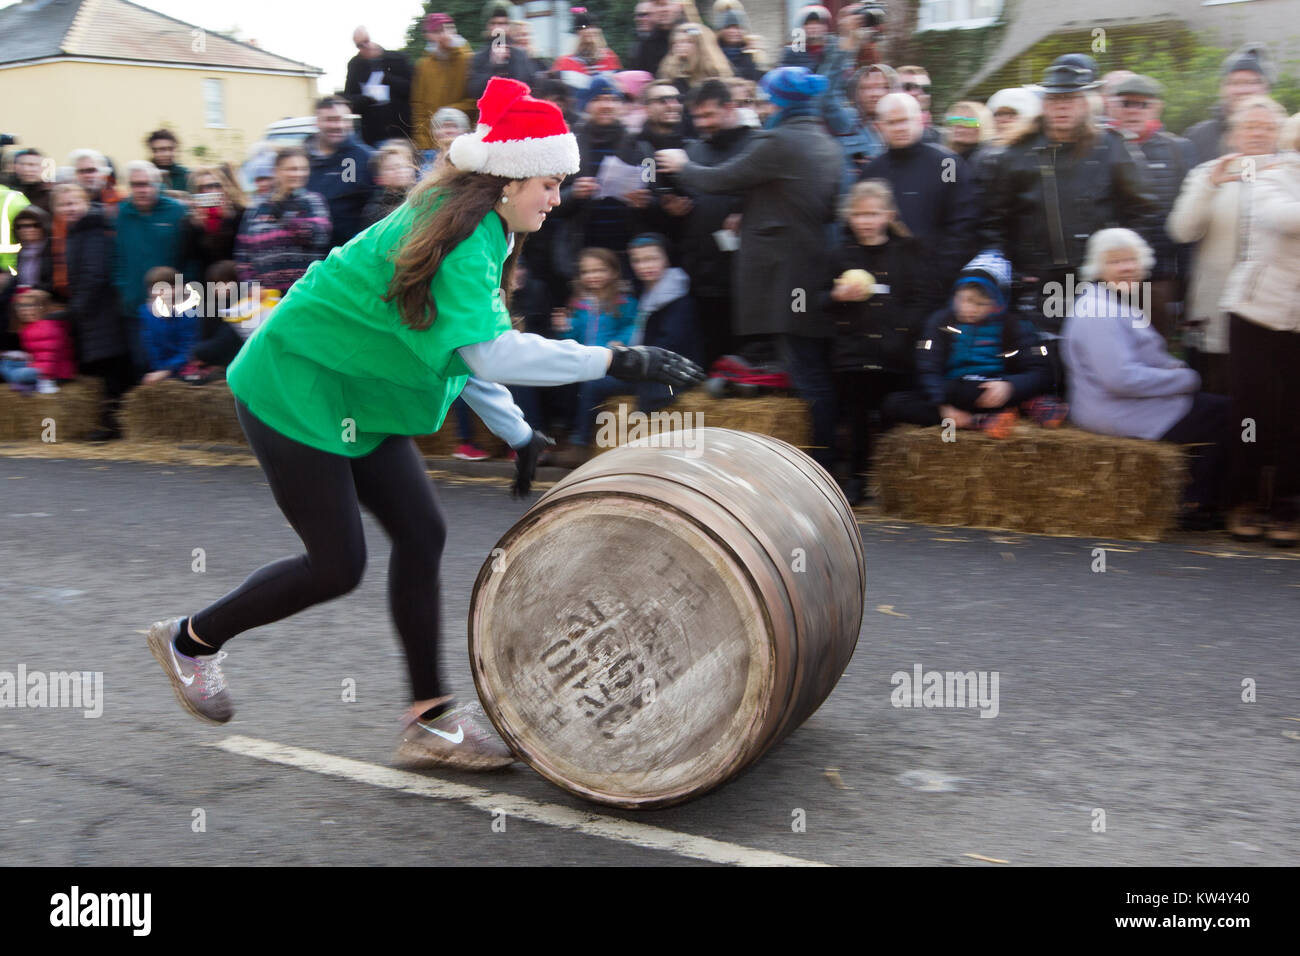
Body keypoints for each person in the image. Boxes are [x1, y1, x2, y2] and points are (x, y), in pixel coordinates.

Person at [145, 78, 704, 771]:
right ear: (511, 178)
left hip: (353, 391)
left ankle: (428, 723)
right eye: (551, 183)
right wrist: (619, 356)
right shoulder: (468, 235)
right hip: (293, 384)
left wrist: (517, 431)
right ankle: (190, 641)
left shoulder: (478, 225)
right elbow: (488, 351)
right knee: (337, 563)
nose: (558, 199)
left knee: (421, 530)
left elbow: (461, 348)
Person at [657, 66, 843, 468]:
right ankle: (829, 461)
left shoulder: (779, 141)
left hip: (787, 275)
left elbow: (720, 179)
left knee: (807, 374)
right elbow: (797, 199)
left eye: (765, 99)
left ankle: (826, 466)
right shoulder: (824, 141)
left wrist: (679, 164)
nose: (759, 106)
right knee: (805, 368)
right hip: (810, 268)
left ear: (781, 102)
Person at [1062, 229, 1230, 531]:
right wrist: (1186, 380)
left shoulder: (1115, 302)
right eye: (1115, 262)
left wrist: (1171, 367)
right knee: (1224, 414)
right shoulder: (1098, 312)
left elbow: (1145, 357)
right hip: (1114, 410)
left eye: (1131, 260)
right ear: (1098, 268)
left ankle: (1197, 497)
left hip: (1123, 403)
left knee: (1215, 408)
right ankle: (1196, 504)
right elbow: (1120, 378)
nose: (1126, 267)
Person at [981, 55, 1153, 338]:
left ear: (1085, 103)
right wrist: (1018, 269)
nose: (1061, 107)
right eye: (1054, 100)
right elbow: (994, 220)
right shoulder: (1016, 154)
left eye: (1070, 99)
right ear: (1044, 104)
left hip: (1101, 279)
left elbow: (1142, 210)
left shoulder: (1111, 147)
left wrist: (1122, 264)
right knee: (1050, 360)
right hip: (1041, 281)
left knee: (1107, 354)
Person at [1166, 95, 1285, 395]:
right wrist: (1210, 186)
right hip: (1216, 311)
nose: (1258, 133)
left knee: (1274, 398)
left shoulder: (1292, 178)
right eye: (1250, 126)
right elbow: (1181, 232)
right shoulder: (1207, 174)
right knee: (1221, 397)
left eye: (1267, 127)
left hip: (1278, 312)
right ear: (1232, 134)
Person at [825, 180, 935, 504]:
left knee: (892, 417)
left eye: (873, 214)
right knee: (857, 417)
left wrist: (901, 332)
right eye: (859, 215)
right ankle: (857, 478)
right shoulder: (839, 254)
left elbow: (923, 299)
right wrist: (836, 295)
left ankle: (891, 482)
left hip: (896, 353)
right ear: (849, 217)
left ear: (888, 215)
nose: (865, 221)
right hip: (853, 355)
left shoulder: (908, 253)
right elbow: (817, 301)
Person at [554, 233, 698, 468]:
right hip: (645, 363)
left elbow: (668, 345)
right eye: (639, 261)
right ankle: (569, 436)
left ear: (666, 259)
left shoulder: (675, 299)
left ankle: (580, 445)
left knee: (594, 383)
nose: (645, 266)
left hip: (664, 370)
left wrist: (627, 355)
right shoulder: (647, 293)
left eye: (652, 259)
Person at [882, 250, 1057, 439]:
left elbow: (1039, 370)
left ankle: (1019, 405)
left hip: (995, 390)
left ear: (996, 303)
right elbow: (928, 368)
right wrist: (943, 408)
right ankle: (980, 421)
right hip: (953, 392)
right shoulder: (940, 321)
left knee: (1028, 386)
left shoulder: (1014, 325)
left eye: (979, 304)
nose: (968, 309)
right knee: (894, 403)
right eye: (963, 300)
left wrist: (1010, 386)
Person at [1218, 144, 1300, 545]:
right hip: (1255, 314)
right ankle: (1244, 501)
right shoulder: (1274, 175)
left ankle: (1288, 506)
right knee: (1252, 416)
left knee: (1295, 418)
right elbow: (1284, 218)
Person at [1108, 74, 1197, 342]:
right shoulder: (1096, 148)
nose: (1134, 110)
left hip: (1160, 273)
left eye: (1142, 104)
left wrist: (1183, 278)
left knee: (1157, 347)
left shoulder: (1179, 149)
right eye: (1126, 103)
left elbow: (1189, 215)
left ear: (1156, 107)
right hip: (1109, 274)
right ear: (1111, 106)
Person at [861, 93, 977, 290]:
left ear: (919, 120)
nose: (900, 128)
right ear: (879, 127)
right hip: (888, 286)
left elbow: (963, 225)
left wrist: (942, 274)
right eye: (892, 123)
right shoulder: (872, 172)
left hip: (939, 283)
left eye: (905, 120)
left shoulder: (946, 164)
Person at [678, 79, 753, 368]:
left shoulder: (756, 145)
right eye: (696, 117)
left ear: (730, 107)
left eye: (708, 115)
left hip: (743, 278)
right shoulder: (695, 150)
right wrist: (676, 206)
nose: (702, 123)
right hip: (702, 274)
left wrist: (747, 213)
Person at [51, 183, 130, 438]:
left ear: (85, 203)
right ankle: (108, 421)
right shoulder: (77, 231)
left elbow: (95, 273)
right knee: (105, 366)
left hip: (100, 309)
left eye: (74, 203)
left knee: (111, 366)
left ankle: (113, 424)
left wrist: (77, 308)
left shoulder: (93, 230)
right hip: (92, 309)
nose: (70, 208)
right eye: (64, 205)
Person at [114, 160, 189, 375]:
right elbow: (116, 255)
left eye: (147, 184)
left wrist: (184, 292)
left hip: (172, 305)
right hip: (135, 303)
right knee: (140, 362)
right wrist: (122, 287)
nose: (142, 189)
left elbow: (187, 256)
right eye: (136, 184)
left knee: (172, 363)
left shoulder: (175, 211)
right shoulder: (122, 214)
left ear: (158, 184)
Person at [235, 146, 331, 293]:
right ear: (277, 171)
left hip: (305, 293)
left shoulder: (313, 201)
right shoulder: (257, 207)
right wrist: (251, 286)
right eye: (292, 169)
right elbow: (243, 255)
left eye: (303, 169)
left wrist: (285, 217)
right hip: (267, 297)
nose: (299, 174)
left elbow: (319, 237)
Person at [306, 97, 375, 250]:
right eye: (331, 119)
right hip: (309, 255)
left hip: (349, 255)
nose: (339, 125)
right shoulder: (301, 158)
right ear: (317, 122)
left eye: (344, 120)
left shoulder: (365, 158)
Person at [1183, 43, 1273, 162]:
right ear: (1222, 89)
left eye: (1252, 82)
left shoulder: (1287, 135)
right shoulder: (1197, 136)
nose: (1244, 90)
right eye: (1235, 83)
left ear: (1266, 88)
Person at [411, 13, 477, 158]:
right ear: (428, 35)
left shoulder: (469, 59)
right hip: (431, 144)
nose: (443, 35)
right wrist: (422, 142)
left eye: (447, 29)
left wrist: (450, 111)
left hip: (462, 139)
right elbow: (418, 106)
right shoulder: (423, 65)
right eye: (436, 31)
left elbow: (476, 100)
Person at [344, 27, 414, 148]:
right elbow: (349, 99)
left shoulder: (397, 59)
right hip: (373, 135)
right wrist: (368, 98)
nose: (365, 47)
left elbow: (412, 89)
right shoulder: (355, 65)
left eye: (366, 41)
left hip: (401, 133)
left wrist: (386, 78)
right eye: (359, 45)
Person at [3, 288, 74, 393]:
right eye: (21, 306)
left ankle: (27, 384)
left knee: (15, 373)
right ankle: (25, 383)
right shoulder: (30, 327)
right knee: (6, 364)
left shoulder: (46, 327)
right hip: (38, 367)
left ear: (41, 307)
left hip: (54, 373)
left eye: (29, 306)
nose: (23, 310)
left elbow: (48, 358)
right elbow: (36, 355)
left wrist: (45, 379)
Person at [138, 266, 199, 385]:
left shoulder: (188, 313)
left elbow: (189, 348)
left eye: (172, 286)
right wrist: (159, 370)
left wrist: (167, 371)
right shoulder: (146, 313)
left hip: (184, 369)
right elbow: (150, 345)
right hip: (158, 369)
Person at [183, 165, 246, 277]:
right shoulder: (191, 221)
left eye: (216, 185)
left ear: (225, 188)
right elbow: (192, 259)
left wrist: (227, 221)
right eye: (203, 187)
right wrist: (199, 228)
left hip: (236, 280)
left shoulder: (239, 213)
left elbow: (241, 250)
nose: (211, 191)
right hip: (206, 284)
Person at [468, 4, 536, 98]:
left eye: (503, 23)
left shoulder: (520, 55)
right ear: (488, 26)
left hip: (517, 109)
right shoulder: (479, 57)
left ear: (509, 26)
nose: (498, 28)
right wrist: (493, 67)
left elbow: (529, 85)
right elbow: (474, 92)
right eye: (494, 23)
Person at [361, 142, 419, 228]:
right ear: (380, 178)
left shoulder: (421, 199)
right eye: (392, 168)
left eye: (406, 166)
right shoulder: (374, 212)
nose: (401, 171)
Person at [552, 8, 621, 75]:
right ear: (578, 32)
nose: (590, 31)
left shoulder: (609, 56)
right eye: (585, 27)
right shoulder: (565, 61)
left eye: (593, 27)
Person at [630, 0, 685, 75]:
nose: (664, 10)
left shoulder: (692, 36)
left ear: (680, 6)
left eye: (667, 5)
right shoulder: (646, 44)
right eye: (658, 5)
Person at [712, 0, 762, 82]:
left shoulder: (752, 54)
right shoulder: (712, 53)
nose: (734, 31)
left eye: (738, 27)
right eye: (728, 27)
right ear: (720, 30)